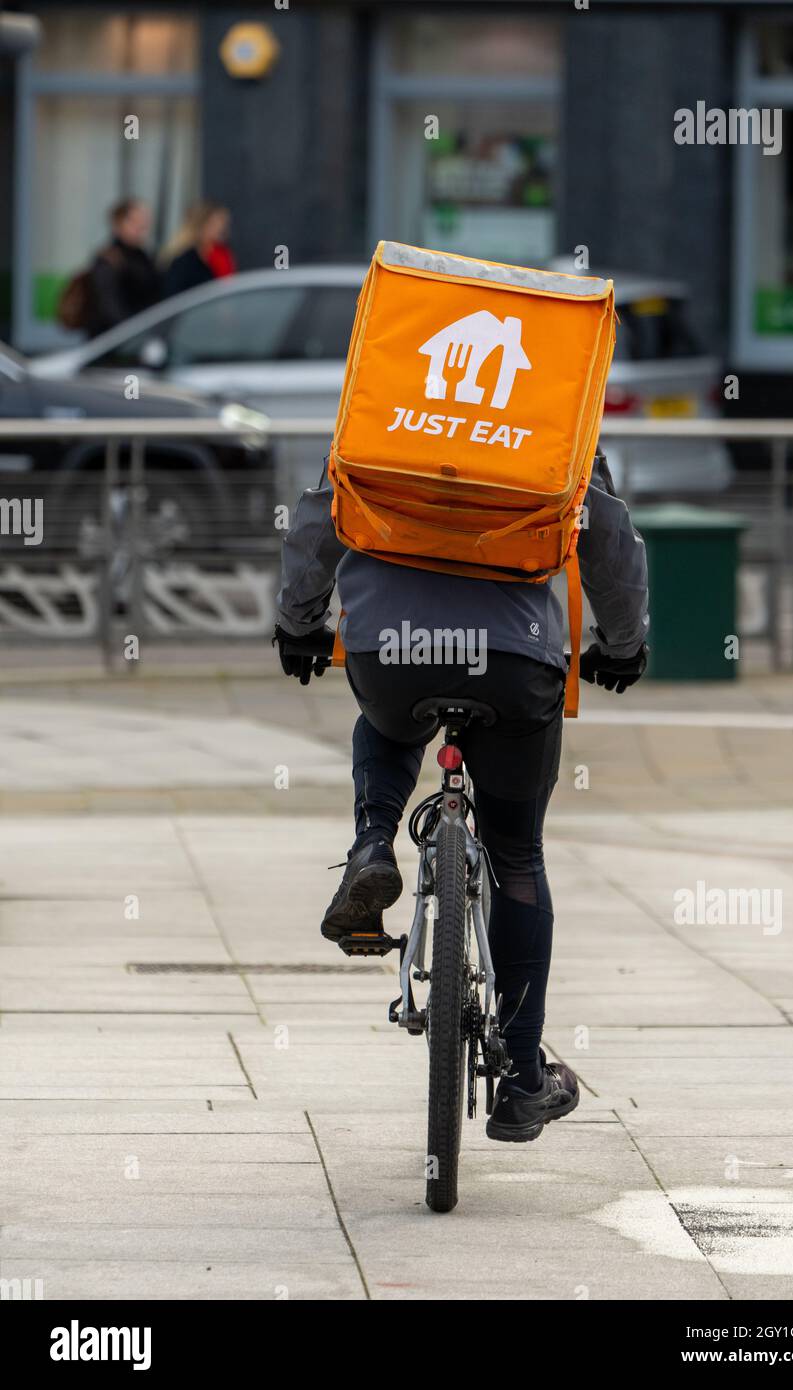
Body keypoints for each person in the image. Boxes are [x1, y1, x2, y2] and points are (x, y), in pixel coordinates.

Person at [273, 449, 649, 1142]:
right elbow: (605, 535)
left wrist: (299, 623)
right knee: (516, 855)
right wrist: (623, 643)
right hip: (513, 658)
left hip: (390, 648)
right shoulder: (550, 409)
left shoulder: (388, 400)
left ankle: (372, 842)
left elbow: (319, 517)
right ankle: (523, 1081)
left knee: (385, 721)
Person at [84, 199, 161, 338]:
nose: (141, 227)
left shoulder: (143, 256)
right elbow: (110, 307)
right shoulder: (110, 259)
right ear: (119, 224)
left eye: (144, 221)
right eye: (134, 221)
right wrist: (132, 334)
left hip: (138, 337)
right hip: (114, 342)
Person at [161, 202, 235, 298]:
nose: (220, 229)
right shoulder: (185, 259)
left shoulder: (220, 253)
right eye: (214, 224)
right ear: (201, 226)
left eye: (223, 224)